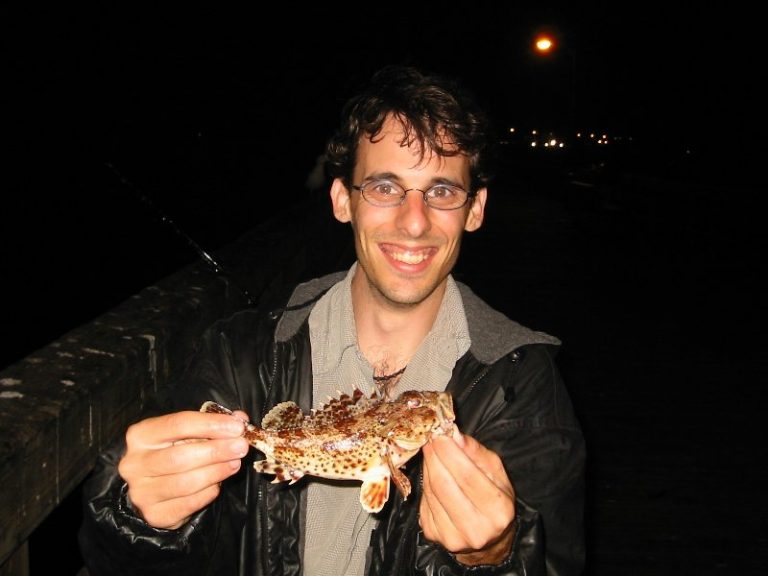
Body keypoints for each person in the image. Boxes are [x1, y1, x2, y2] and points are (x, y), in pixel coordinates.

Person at [78, 64, 586, 576]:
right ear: (343, 200)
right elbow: (119, 560)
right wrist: (140, 519)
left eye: (441, 191)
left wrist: (493, 556)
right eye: (384, 187)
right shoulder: (239, 357)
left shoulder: (522, 386)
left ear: (474, 209)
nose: (414, 222)